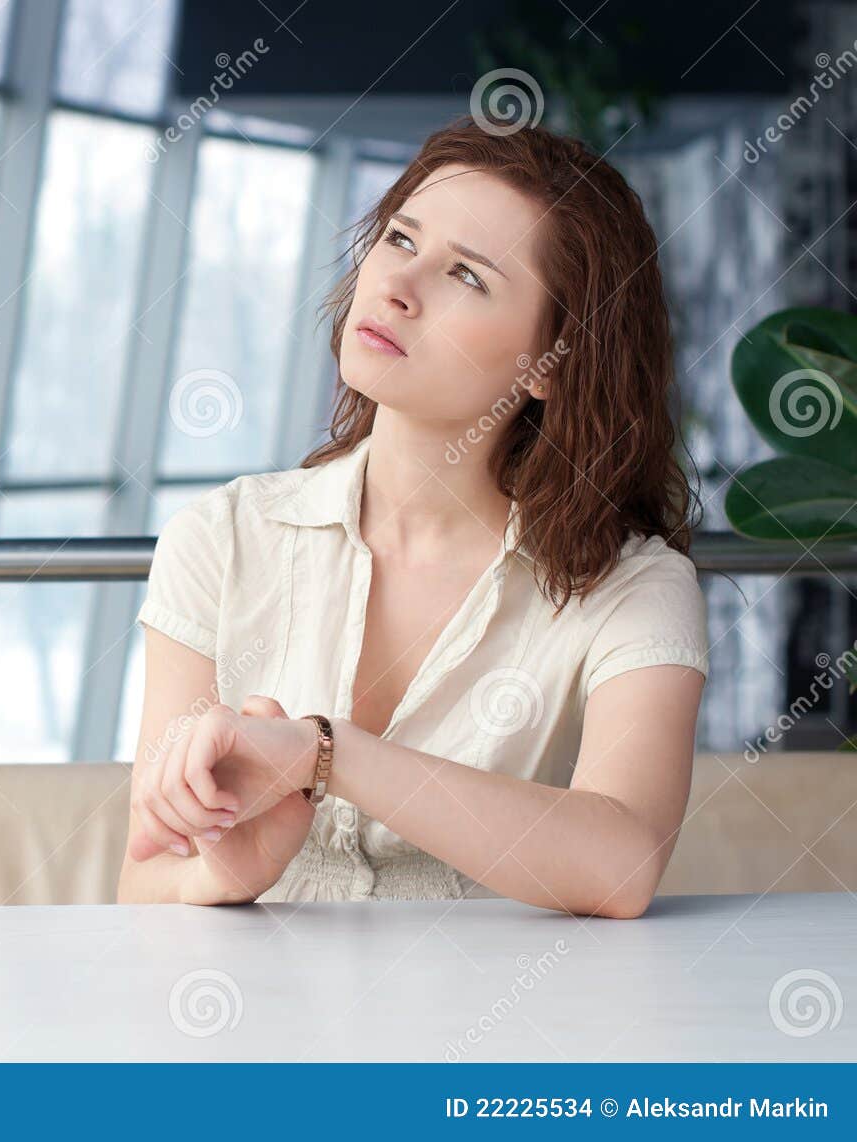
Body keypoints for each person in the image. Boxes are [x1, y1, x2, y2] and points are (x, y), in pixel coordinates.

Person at [117, 116, 709, 917]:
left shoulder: (635, 585)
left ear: (549, 363)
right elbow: (147, 880)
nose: (398, 285)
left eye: (467, 276)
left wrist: (324, 755)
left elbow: (621, 862)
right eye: (400, 238)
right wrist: (221, 876)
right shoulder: (220, 541)